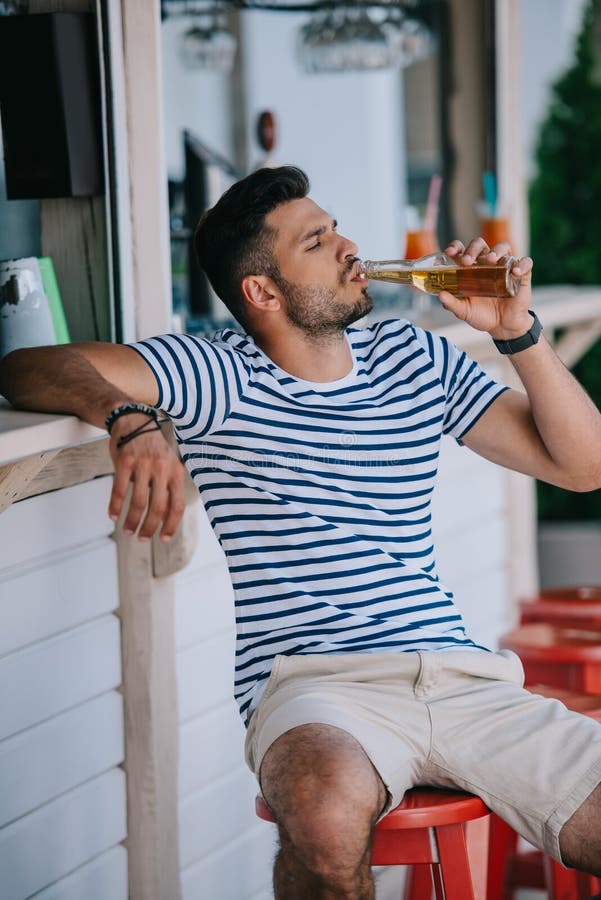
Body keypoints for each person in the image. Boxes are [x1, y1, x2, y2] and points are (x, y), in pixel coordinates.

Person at [2, 165, 601, 899]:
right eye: (317, 242)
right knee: (323, 818)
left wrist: (518, 333)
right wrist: (128, 417)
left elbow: (584, 467)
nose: (349, 248)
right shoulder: (215, 373)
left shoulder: (413, 357)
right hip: (319, 687)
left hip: (461, 675)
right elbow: (28, 365)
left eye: (335, 228)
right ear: (263, 292)